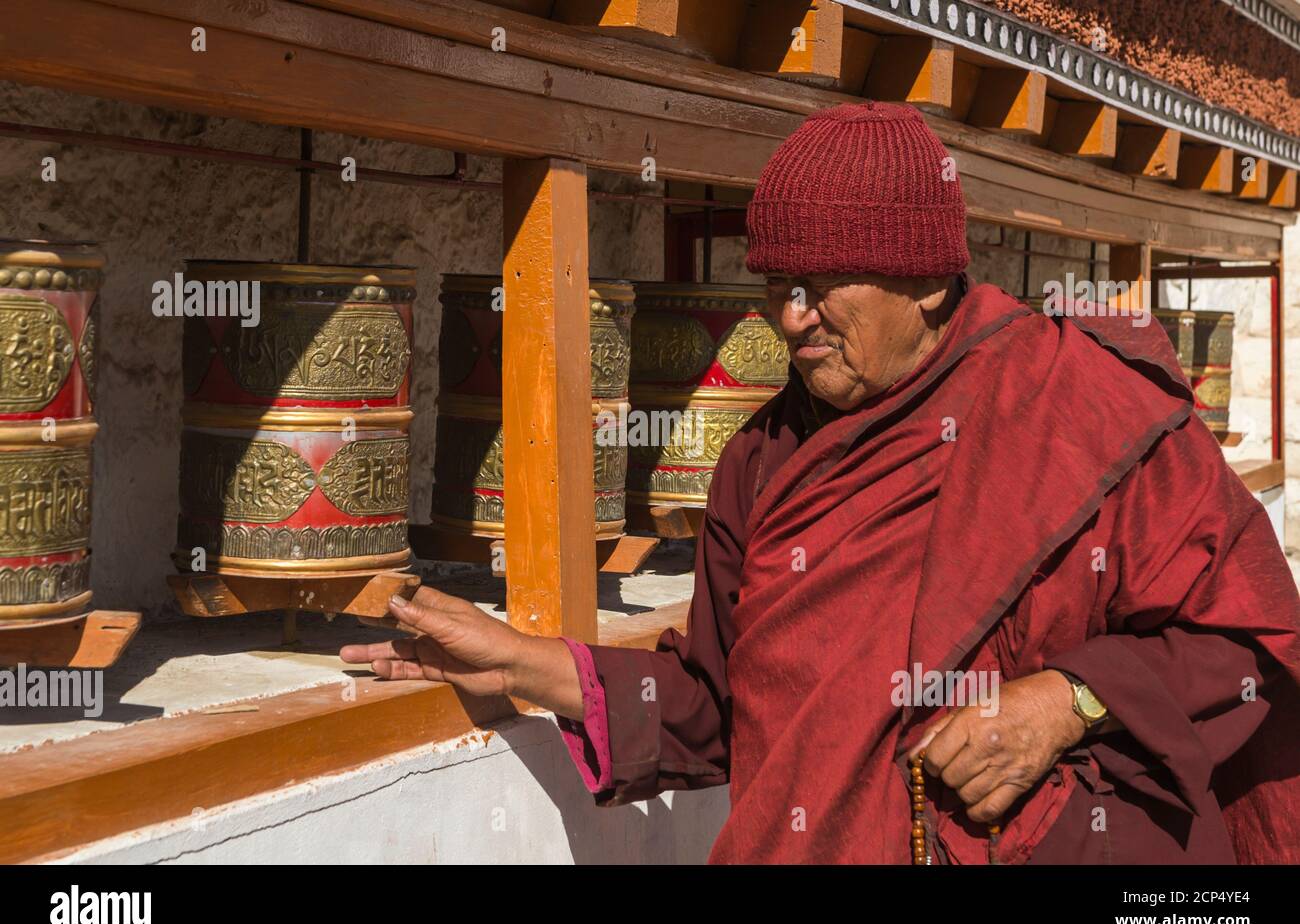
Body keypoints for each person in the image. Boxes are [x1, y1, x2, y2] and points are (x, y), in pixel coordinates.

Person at [342, 102, 1300, 864]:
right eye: (776, 284)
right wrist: (522, 663)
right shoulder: (764, 462)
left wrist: (1069, 699)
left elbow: (1252, 645)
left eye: (826, 281)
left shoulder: (1084, 411)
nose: (792, 317)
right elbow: (716, 702)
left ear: (927, 281)